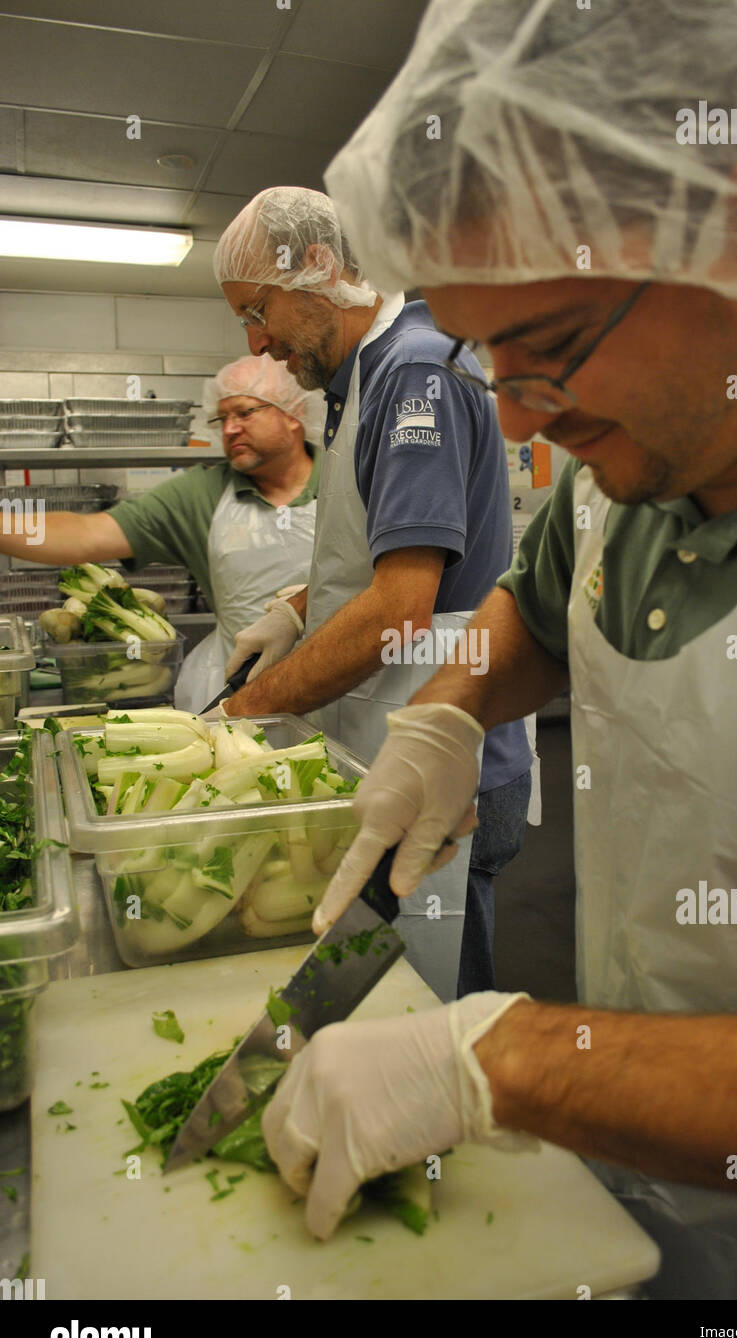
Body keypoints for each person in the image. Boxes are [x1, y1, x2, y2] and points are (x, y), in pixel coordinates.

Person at [257, 0, 737, 1300]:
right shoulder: (623, 462)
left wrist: (515, 1058)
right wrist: (441, 719)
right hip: (628, 1199)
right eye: (491, 365)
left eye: (548, 349)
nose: (525, 418)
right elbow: (537, 609)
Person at [211, 187, 534, 1000]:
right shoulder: (363, 381)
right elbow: (374, 554)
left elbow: (401, 607)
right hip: (396, 739)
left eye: (259, 310)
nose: (258, 342)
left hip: (446, 757)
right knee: (385, 991)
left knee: (425, 1004)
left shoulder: (414, 371)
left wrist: (241, 717)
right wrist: (297, 606)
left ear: (316, 267)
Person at [0, 355, 324, 713]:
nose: (229, 429)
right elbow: (85, 533)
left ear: (293, 413)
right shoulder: (202, 494)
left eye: (245, 413)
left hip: (344, 682)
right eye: (222, 418)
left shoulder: (345, 478)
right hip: (239, 686)